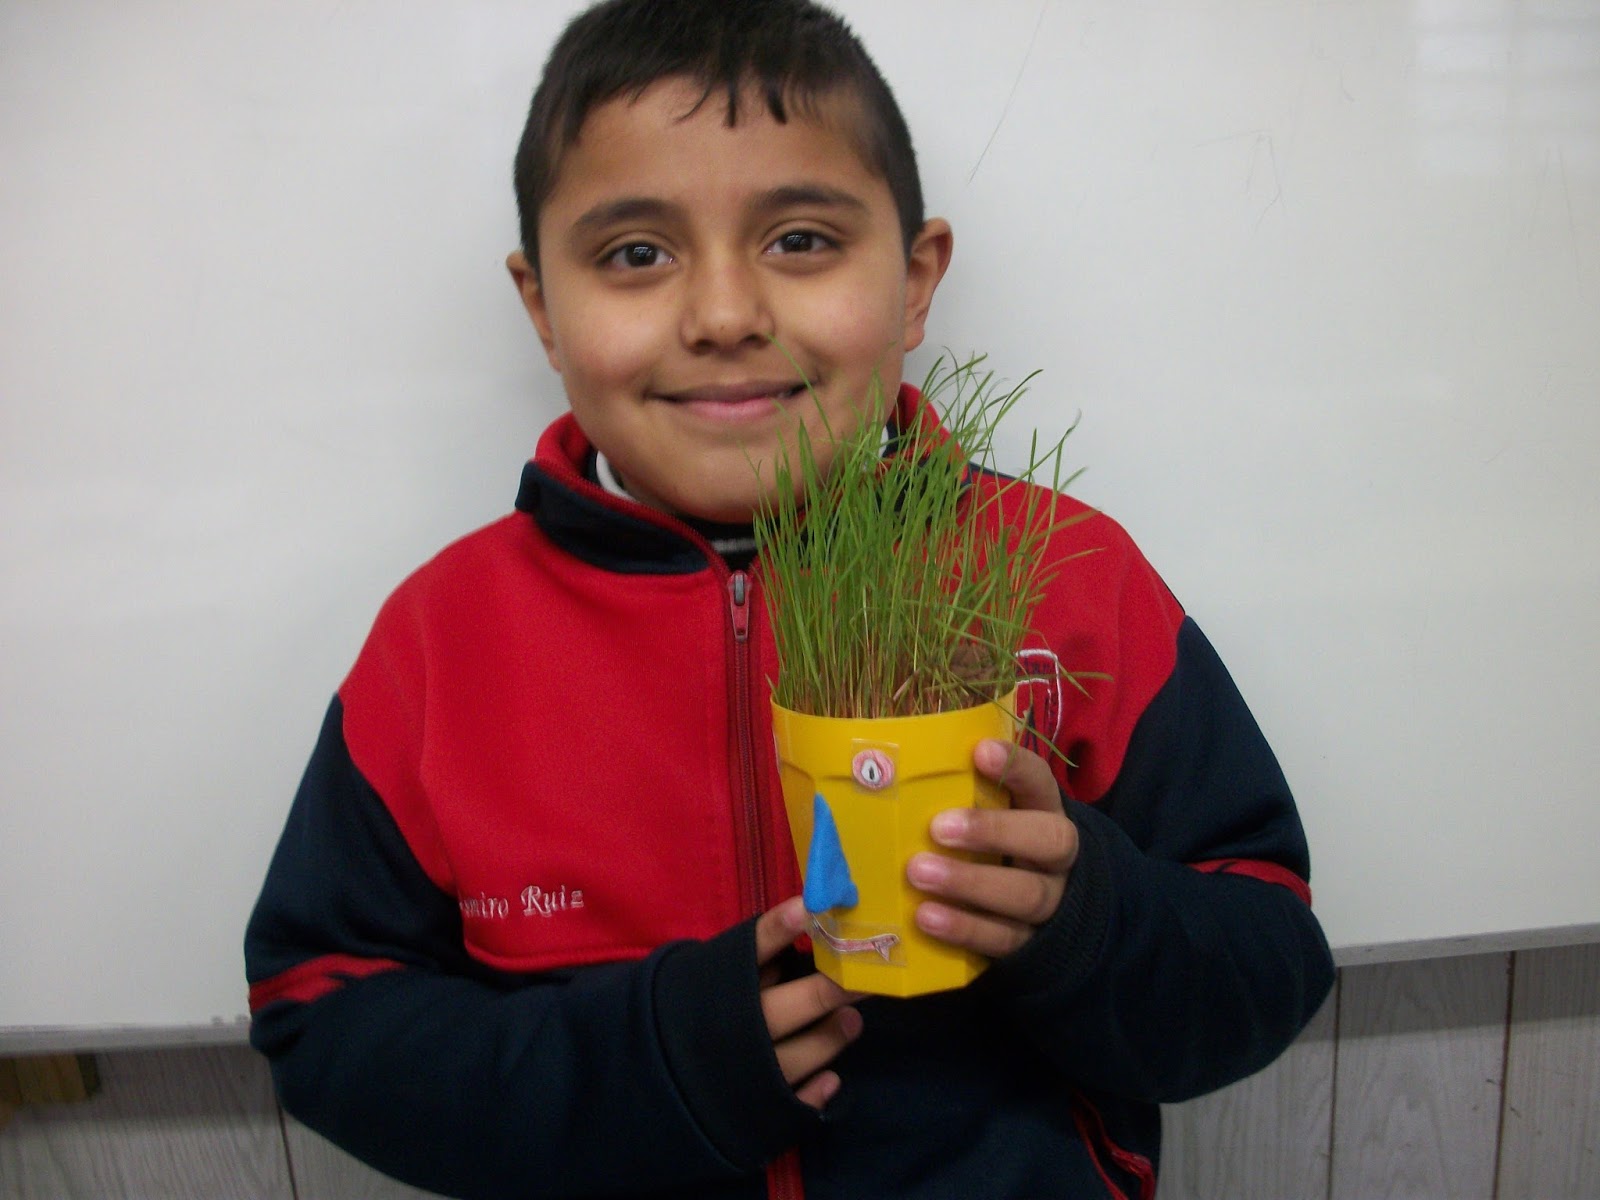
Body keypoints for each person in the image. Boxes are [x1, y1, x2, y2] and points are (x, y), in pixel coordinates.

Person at [244, 2, 1336, 1197]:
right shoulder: (443, 643)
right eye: (635, 255)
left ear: (915, 283)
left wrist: (1082, 919)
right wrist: (646, 1060)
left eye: (802, 239)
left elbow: (1268, 949)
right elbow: (319, 1013)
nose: (724, 317)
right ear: (543, 310)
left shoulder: (1064, 577)